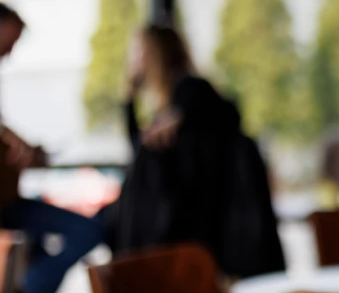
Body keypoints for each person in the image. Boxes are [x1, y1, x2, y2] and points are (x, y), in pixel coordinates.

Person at [99, 24, 284, 278]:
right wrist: (130, 98)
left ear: (158, 54)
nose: (136, 61)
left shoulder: (191, 89)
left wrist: (179, 116)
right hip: (179, 216)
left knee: (116, 220)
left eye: (142, 52)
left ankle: (135, 272)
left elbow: (223, 111)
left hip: (193, 217)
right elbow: (137, 146)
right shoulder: (165, 106)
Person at [0, 3, 102, 293]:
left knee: (78, 232)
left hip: (9, 203)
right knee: (84, 231)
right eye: (11, 39)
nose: (11, 51)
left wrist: (28, 152)